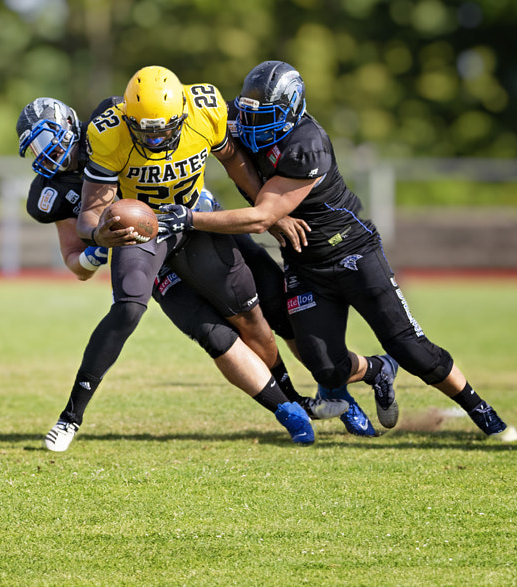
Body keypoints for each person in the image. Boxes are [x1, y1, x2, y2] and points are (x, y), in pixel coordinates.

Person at [157, 60, 517, 442]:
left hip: (351, 252)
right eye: (250, 114)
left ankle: (483, 413)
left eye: (266, 117)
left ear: (291, 110)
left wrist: (189, 218)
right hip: (304, 264)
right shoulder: (240, 114)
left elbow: (262, 215)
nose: (253, 124)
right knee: (326, 369)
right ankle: (379, 370)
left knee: (410, 348)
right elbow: (192, 119)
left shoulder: (307, 145)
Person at [17, 96, 347, 449]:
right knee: (209, 332)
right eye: (34, 148)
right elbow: (74, 260)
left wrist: (265, 209)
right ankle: (290, 407)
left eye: (46, 138)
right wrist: (94, 251)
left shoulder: (110, 125)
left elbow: (175, 131)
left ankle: (332, 391)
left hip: (191, 222)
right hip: (145, 250)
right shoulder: (51, 192)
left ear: (69, 123)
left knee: (267, 303)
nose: (45, 152)